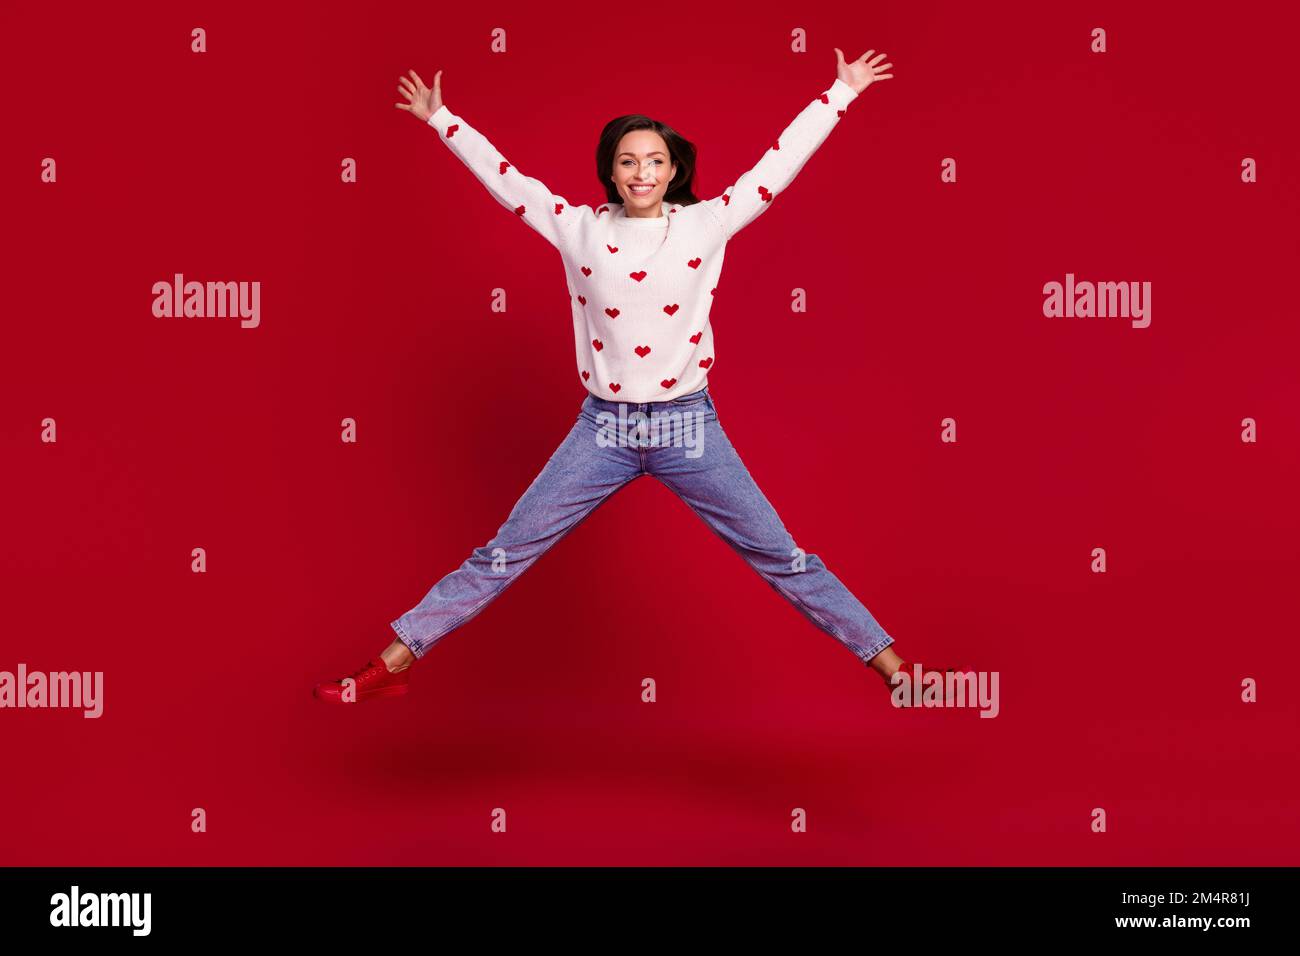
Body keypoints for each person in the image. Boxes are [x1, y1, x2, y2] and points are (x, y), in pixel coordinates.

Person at [315, 49, 967, 706]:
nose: (642, 172)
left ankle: (899, 674)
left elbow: (777, 166)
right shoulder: (579, 231)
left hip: (688, 424)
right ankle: (390, 664)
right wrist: (441, 118)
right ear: (610, 171)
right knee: (502, 554)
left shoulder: (705, 224)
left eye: (654, 160)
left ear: (674, 168)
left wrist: (840, 92)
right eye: (628, 161)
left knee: (782, 556)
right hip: (604, 429)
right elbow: (509, 183)